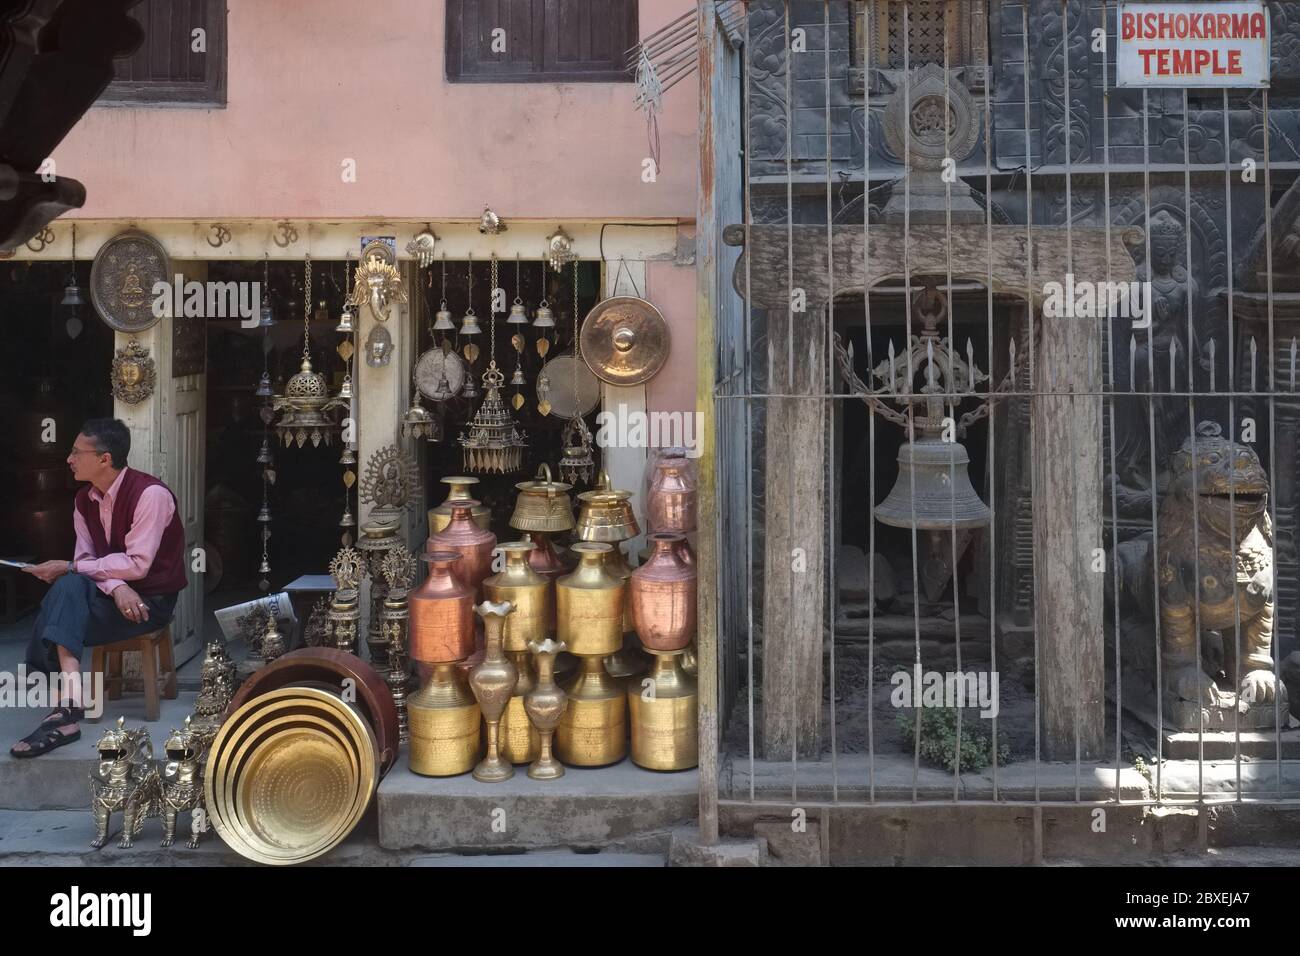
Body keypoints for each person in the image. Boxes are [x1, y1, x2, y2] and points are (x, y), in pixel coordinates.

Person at [10, 418, 186, 758]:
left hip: (149, 602)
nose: (69, 459)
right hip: (113, 597)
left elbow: (139, 564)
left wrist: (74, 568)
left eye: (77, 452)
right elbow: (87, 559)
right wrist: (118, 586)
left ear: (104, 459)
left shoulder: (151, 495)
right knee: (71, 586)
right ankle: (71, 705)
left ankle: (65, 711)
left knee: (65, 592)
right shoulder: (83, 501)